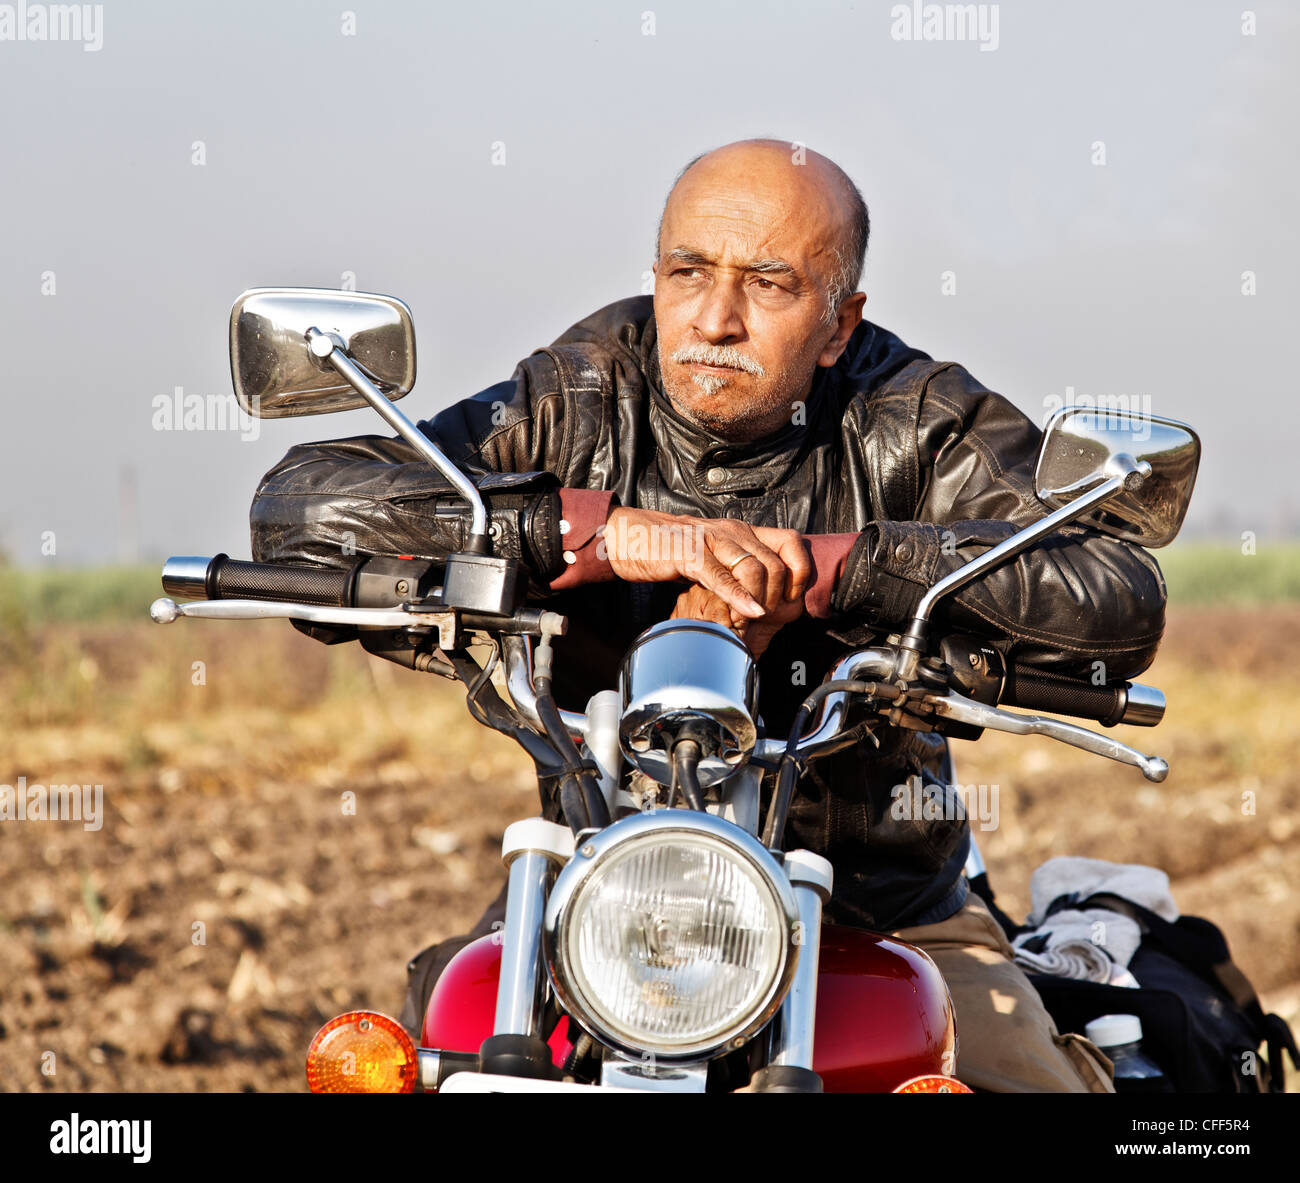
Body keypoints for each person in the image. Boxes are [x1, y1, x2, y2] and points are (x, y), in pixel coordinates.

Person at [250, 139, 1165, 1091]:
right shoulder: (577, 398)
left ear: (839, 323)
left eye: (769, 284)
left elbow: (1112, 584)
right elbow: (301, 507)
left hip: (880, 911)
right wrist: (594, 533)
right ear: (657, 277)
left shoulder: (916, 417)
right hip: (601, 895)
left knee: (1017, 1081)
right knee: (446, 1048)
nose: (715, 319)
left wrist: (835, 569)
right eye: (688, 272)